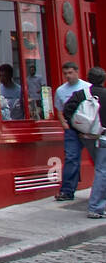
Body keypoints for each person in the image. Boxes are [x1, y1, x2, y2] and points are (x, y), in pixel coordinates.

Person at [62, 66, 106, 219]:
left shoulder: (80, 94)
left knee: (100, 169)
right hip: (102, 137)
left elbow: (66, 111)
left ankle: (100, 203)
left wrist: (78, 128)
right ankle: (96, 207)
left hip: (86, 137)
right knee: (102, 171)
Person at [53, 61, 93, 201]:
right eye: (65, 74)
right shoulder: (60, 91)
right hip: (71, 129)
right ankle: (67, 191)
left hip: (89, 129)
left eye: (70, 73)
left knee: (97, 159)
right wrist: (64, 123)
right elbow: (59, 109)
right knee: (71, 158)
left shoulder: (87, 87)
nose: (68, 76)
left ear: (77, 72)